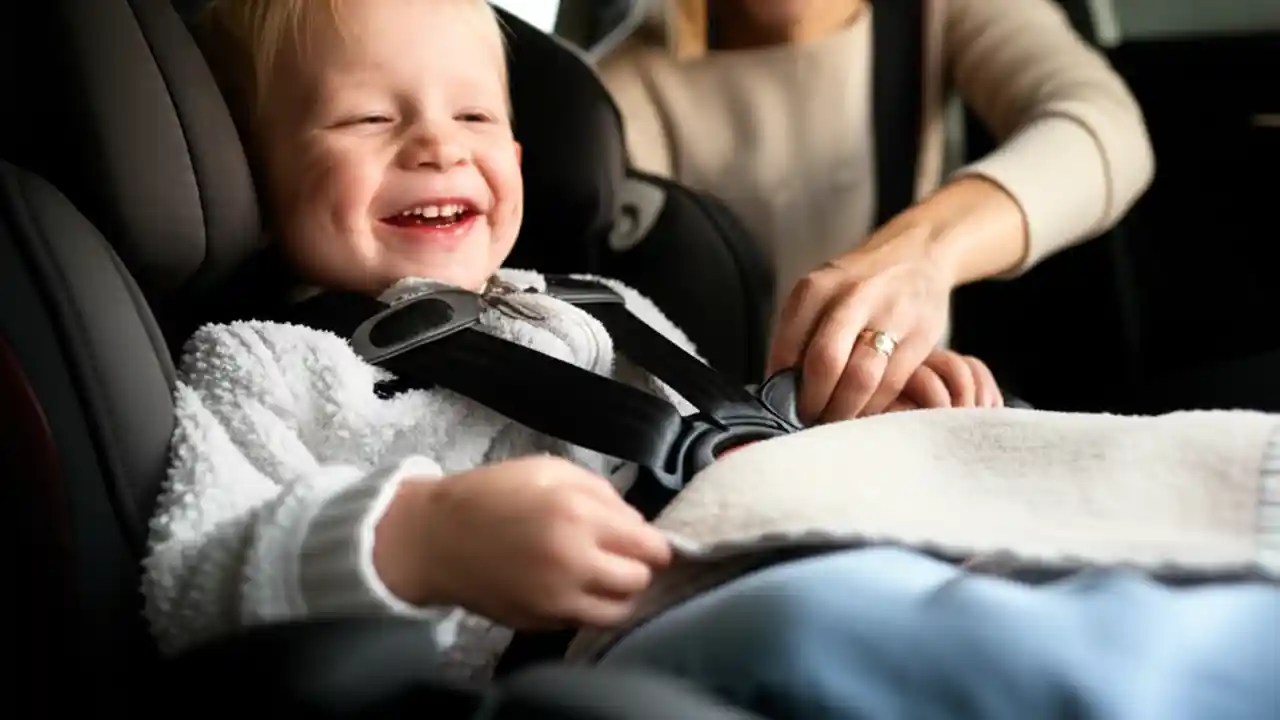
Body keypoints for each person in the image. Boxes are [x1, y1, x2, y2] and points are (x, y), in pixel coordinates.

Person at [144, 1, 1277, 717]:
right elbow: (194, 571)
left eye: (477, 120)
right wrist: (415, 541)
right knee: (969, 644)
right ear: (249, 169)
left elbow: (718, 443)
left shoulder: (597, 304)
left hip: (794, 535)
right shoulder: (262, 362)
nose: (440, 143)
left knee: (1141, 535)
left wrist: (856, 416)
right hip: (645, 626)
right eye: (367, 123)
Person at [597, 0, 1157, 423]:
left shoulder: (935, 14)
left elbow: (1101, 128)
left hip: (915, 420)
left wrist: (925, 253)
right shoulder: (613, 86)